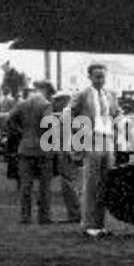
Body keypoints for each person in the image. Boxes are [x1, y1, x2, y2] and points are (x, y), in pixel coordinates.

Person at [70, 62, 121, 237]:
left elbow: (117, 113)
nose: (101, 80)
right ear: (90, 77)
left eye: (103, 76)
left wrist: (119, 125)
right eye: (97, 76)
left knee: (105, 185)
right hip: (91, 141)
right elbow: (68, 114)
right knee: (91, 184)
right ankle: (88, 225)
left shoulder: (111, 95)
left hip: (108, 141)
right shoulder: (82, 95)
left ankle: (100, 225)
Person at [8, 81, 56, 224]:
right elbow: (50, 126)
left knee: (25, 186)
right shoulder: (46, 105)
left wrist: (21, 131)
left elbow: (10, 120)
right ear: (46, 91)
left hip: (25, 147)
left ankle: (25, 216)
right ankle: (44, 216)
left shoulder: (22, 104)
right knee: (44, 187)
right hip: (43, 149)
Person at [50, 93, 82, 223]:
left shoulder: (68, 114)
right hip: (70, 151)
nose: (53, 104)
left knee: (68, 183)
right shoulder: (72, 114)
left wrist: (71, 152)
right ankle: (76, 212)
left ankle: (75, 213)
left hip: (68, 152)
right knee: (72, 183)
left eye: (56, 101)